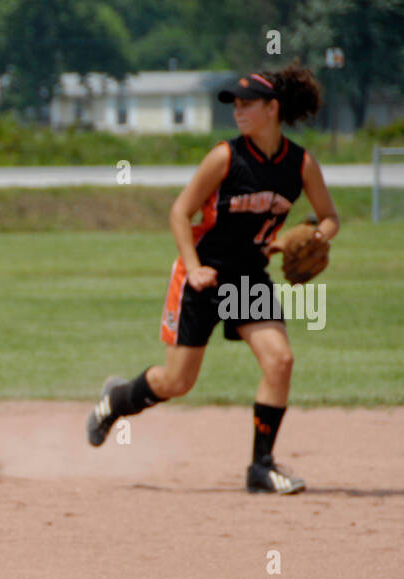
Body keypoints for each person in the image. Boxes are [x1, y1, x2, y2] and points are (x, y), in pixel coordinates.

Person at [86, 64, 339, 494]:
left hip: (248, 279)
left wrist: (309, 236)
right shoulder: (225, 157)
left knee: (280, 361)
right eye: (235, 105)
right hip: (203, 276)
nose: (239, 112)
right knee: (177, 382)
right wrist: (194, 264)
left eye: (248, 104)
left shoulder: (300, 164)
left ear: (272, 108)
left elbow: (330, 218)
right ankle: (116, 400)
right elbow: (180, 212)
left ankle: (261, 467)